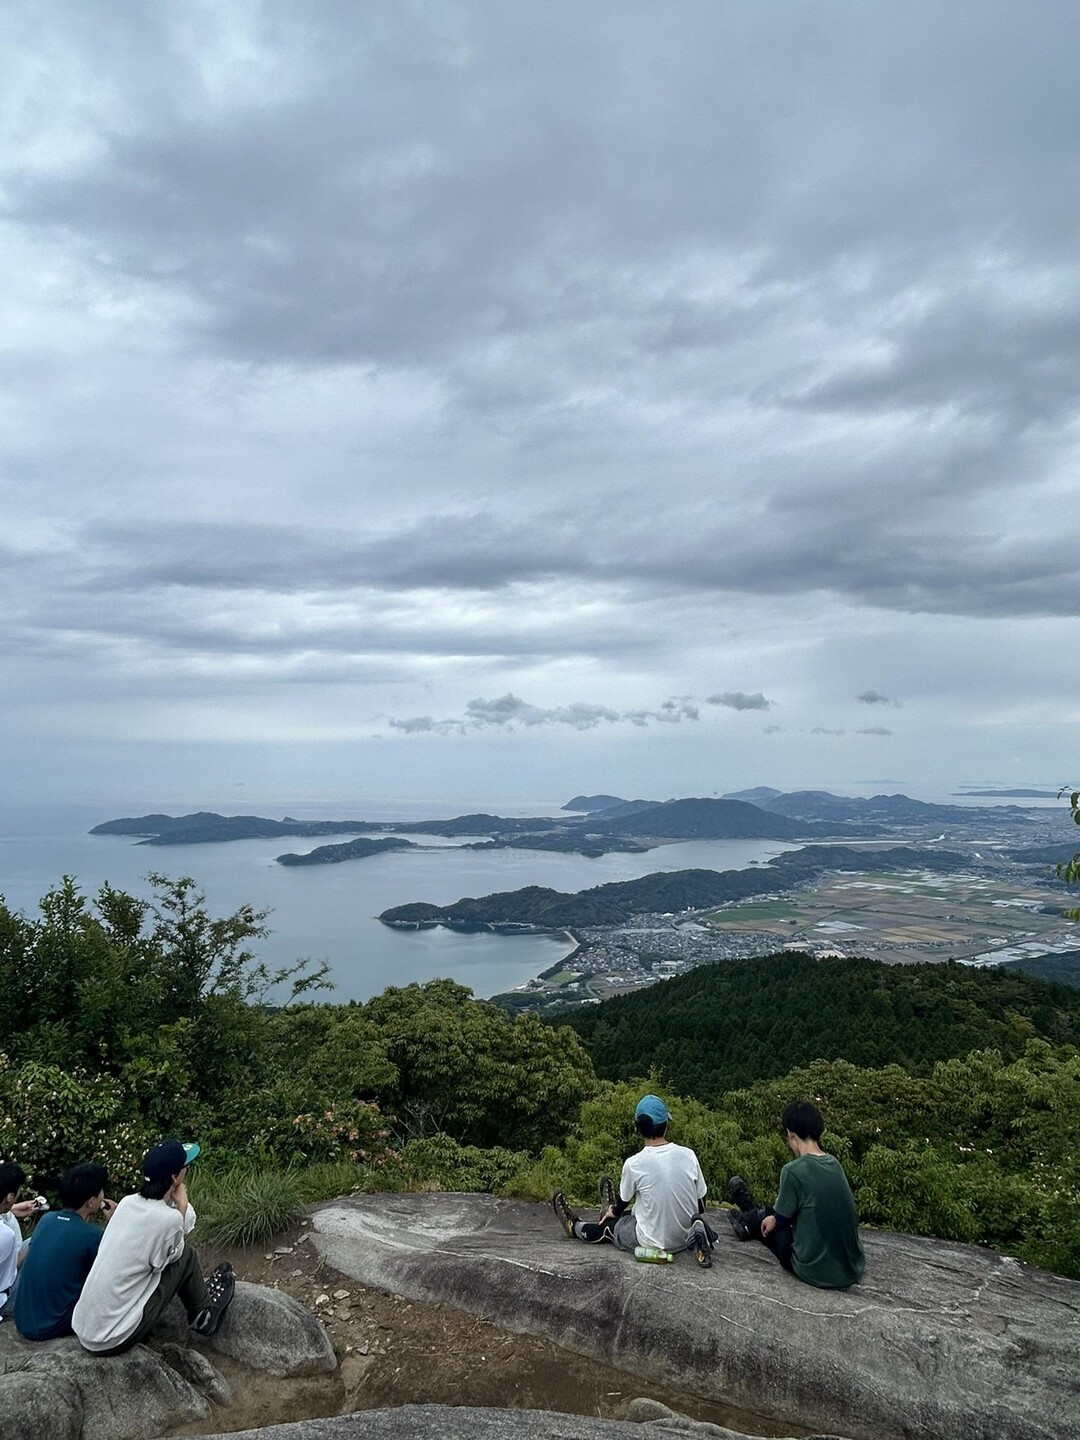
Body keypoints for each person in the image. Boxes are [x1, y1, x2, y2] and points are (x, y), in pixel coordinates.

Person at [73, 1138, 234, 1354]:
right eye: (184, 1167)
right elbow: (174, 1257)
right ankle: (203, 1316)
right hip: (112, 1338)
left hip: (85, 1329)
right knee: (186, 1255)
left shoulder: (128, 1203)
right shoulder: (169, 1219)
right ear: (175, 1177)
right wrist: (182, 1205)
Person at [552, 1094, 715, 1266]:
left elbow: (621, 1205)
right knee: (632, 1212)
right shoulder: (689, 1155)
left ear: (638, 1127)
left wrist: (613, 1211)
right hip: (686, 1238)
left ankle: (574, 1226)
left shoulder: (634, 1164)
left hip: (653, 1243)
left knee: (610, 1226)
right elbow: (701, 1206)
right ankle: (606, 1210)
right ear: (666, 1125)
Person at [727, 1099, 865, 1290]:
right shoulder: (834, 1163)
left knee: (774, 1229)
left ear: (791, 1134)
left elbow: (781, 1221)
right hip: (852, 1266)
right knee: (779, 1211)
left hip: (817, 1270)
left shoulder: (793, 1171)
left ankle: (750, 1217)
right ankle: (751, 1214)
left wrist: (774, 1218)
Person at [14, 1163, 116, 1340]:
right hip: (50, 1326)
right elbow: (106, 1276)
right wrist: (114, 1225)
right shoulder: (92, 1235)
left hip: (23, 1319)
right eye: (101, 1192)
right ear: (91, 1201)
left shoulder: (47, 1220)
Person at [0, 1161, 44, 1321]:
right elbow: (14, 1269)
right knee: (37, 1245)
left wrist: (11, 1208)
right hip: (4, 1300)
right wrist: (36, 1244)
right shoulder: (5, 1234)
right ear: (10, 1196)